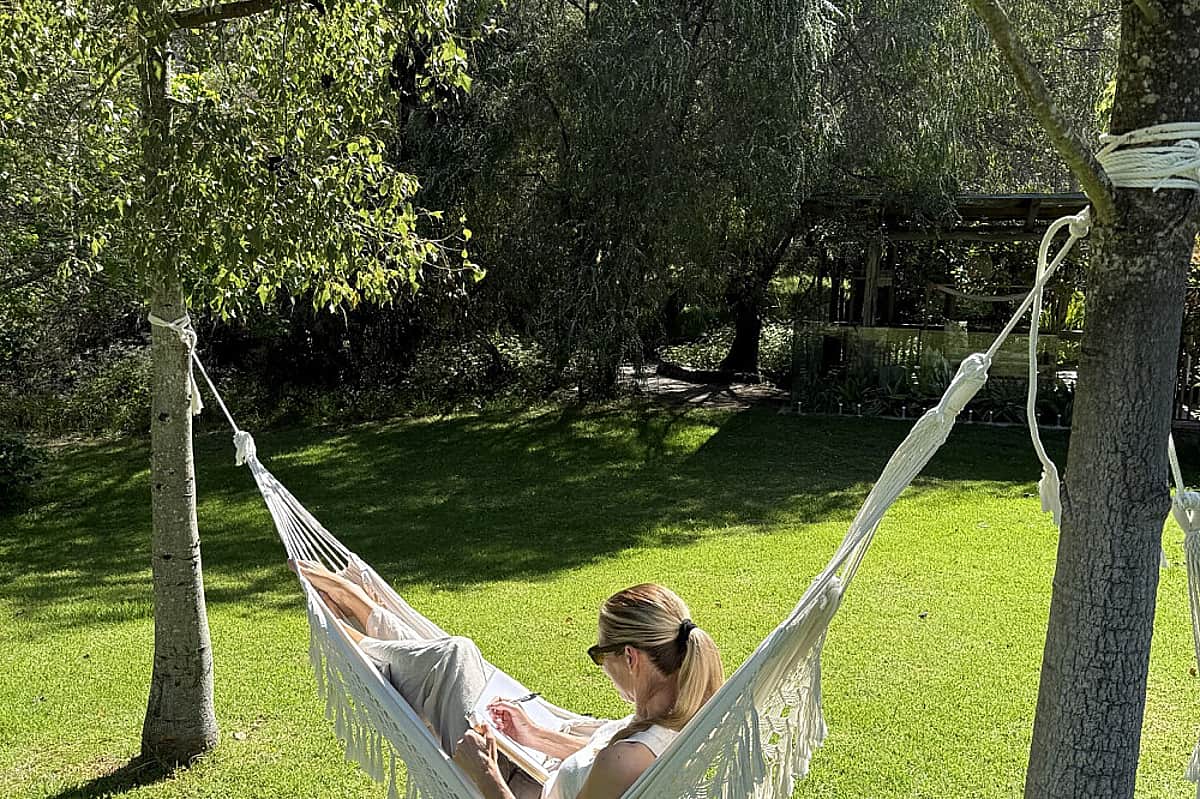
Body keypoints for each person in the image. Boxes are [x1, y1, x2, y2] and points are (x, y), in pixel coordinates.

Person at [295, 562, 724, 799]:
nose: (601, 665)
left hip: (512, 789)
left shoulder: (632, 756)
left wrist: (482, 772)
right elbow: (609, 761)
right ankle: (366, 623)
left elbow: (616, 766)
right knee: (453, 662)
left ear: (630, 657)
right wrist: (536, 735)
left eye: (599, 655)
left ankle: (359, 631)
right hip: (536, 769)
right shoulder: (687, 717)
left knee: (453, 658)